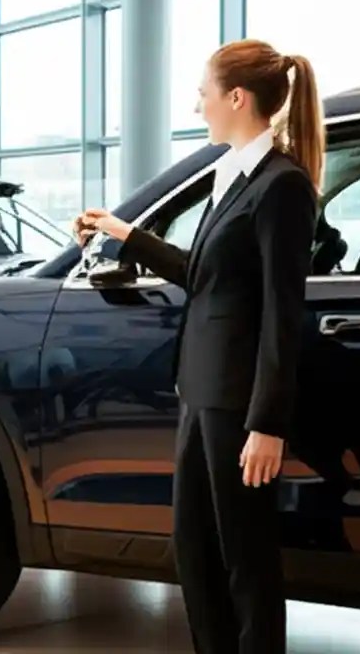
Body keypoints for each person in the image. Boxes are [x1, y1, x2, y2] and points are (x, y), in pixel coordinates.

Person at [74, 38, 323, 654]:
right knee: (196, 552)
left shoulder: (281, 186)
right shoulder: (233, 177)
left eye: (204, 94)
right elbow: (204, 275)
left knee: (245, 559)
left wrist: (267, 423)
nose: (198, 106)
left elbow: (282, 314)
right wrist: (125, 233)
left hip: (237, 404)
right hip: (202, 393)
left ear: (236, 97)